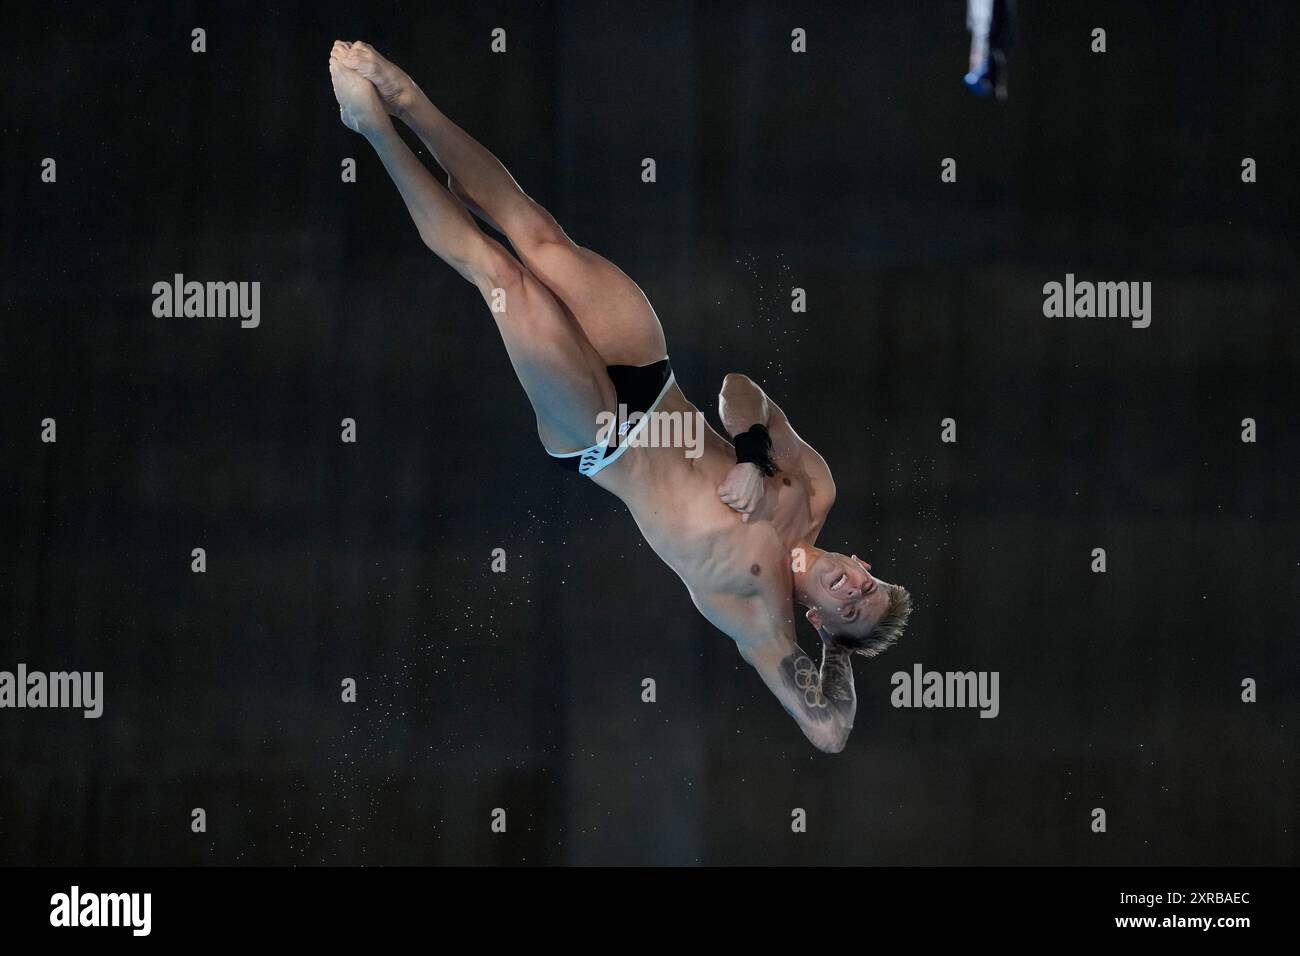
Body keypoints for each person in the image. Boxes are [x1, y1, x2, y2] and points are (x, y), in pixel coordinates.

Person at [327, 41, 912, 752]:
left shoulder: (759, 617)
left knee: (502, 280)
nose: (851, 590)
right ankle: (409, 99)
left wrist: (844, 651)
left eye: (848, 610)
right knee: (536, 232)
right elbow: (739, 390)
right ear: (865, 565)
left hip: (603, 436)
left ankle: (374, 130)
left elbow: (830, 734)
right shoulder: (813, 490)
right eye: (866, 586)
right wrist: (755, 456)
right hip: (652, 375)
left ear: (822, 624)